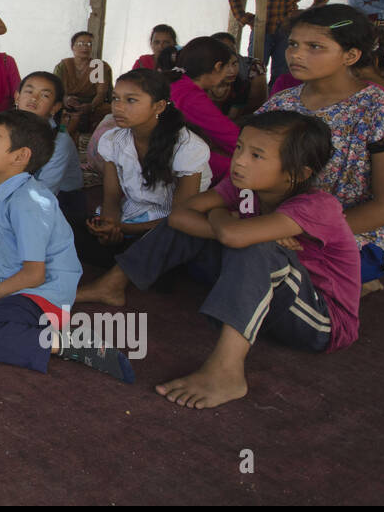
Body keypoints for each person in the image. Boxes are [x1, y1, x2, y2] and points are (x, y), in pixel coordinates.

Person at [76, 112, 359, 409]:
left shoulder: (318, 206)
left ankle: (226, 370)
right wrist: (227, 220)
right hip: (267, 299)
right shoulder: (243, 189)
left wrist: (225, 218)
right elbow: (180, 214)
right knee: (202, 231)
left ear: (297, 174)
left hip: (319, 319)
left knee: (255, 246)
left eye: (257, 155)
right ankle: (113, 284)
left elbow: (236, 238)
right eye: (239, 148)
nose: (240, 160)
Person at [0, 111, 134, 382]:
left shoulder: (29, 202)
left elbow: (35, 275)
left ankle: (69, 342)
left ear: (19, 156)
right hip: (8, 279)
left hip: (41, 294)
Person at [259, 5, 384, 295]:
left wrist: (300, 229)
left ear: (351, 55)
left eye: (315, 47)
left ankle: (346, 284)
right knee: (222, 248)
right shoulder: (280, 104)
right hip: (280, 224)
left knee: (263, 270)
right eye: (293, 44)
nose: (296, 54)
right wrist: (268, 221)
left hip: (352, 235)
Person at [73, 69, 210, 269]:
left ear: (159, 106)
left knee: (165, 243)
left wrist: (124, 227)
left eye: (131, 100)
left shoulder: (188, 147)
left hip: (168, 225)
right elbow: (111, 198)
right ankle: (126, 261)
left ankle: (125, 268)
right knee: (67, 228)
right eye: (115, 98)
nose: (118, 107)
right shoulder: (113, 140)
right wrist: (109, 227)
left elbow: (180, 217)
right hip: (132, 215)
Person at [158, 39, 242, 182]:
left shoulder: (177, 81)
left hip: (161, 149)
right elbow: (228, 135)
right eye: (227, 67)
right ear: (218, 66)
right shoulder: (190, 95)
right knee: (239, 168)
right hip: (164, 155)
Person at [15, 71, 86, 220]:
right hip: (21, 190)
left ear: (55, 107)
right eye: (29, 91)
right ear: (17, 97)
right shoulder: (8, 128)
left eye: (44, 95)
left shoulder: (59, 142)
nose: (34, 98)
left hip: (61, 199)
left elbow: (45, 192)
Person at [55, 31, 113, 140]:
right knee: (54, 110)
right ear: (73, 47)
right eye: (80, 44)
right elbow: (55, 89)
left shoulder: (97, 65)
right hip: (67, 104)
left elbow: (102, 92)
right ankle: (61, 138)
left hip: (92, 104)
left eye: (89, 44)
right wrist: (66, 99)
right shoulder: (64, 65)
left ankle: (92, 140)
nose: (85, 47)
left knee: (108, 111)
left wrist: (91, 106)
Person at [210, 31, 267, 117]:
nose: (232, 70)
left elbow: (256, 104)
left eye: (234, 63)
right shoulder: (202, 78)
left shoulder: (239, 84)